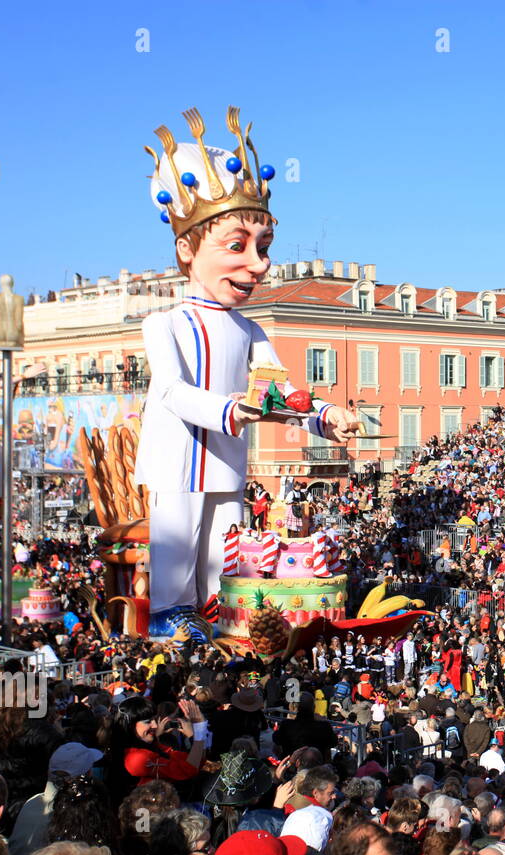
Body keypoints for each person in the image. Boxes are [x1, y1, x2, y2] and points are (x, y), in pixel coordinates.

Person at [135, 104, 358, 637]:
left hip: (228, 461)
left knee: (222, 555)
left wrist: (325, 416)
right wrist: (237, 408)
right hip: (177, 462)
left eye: (262, 247)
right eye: (237, 246)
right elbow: (171, 391)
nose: (257, 264)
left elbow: (279, 391)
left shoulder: (251, 331)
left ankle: (218, 626)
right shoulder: (162, 321)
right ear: (188, 249)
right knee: (177, 548)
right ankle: (170, 625)